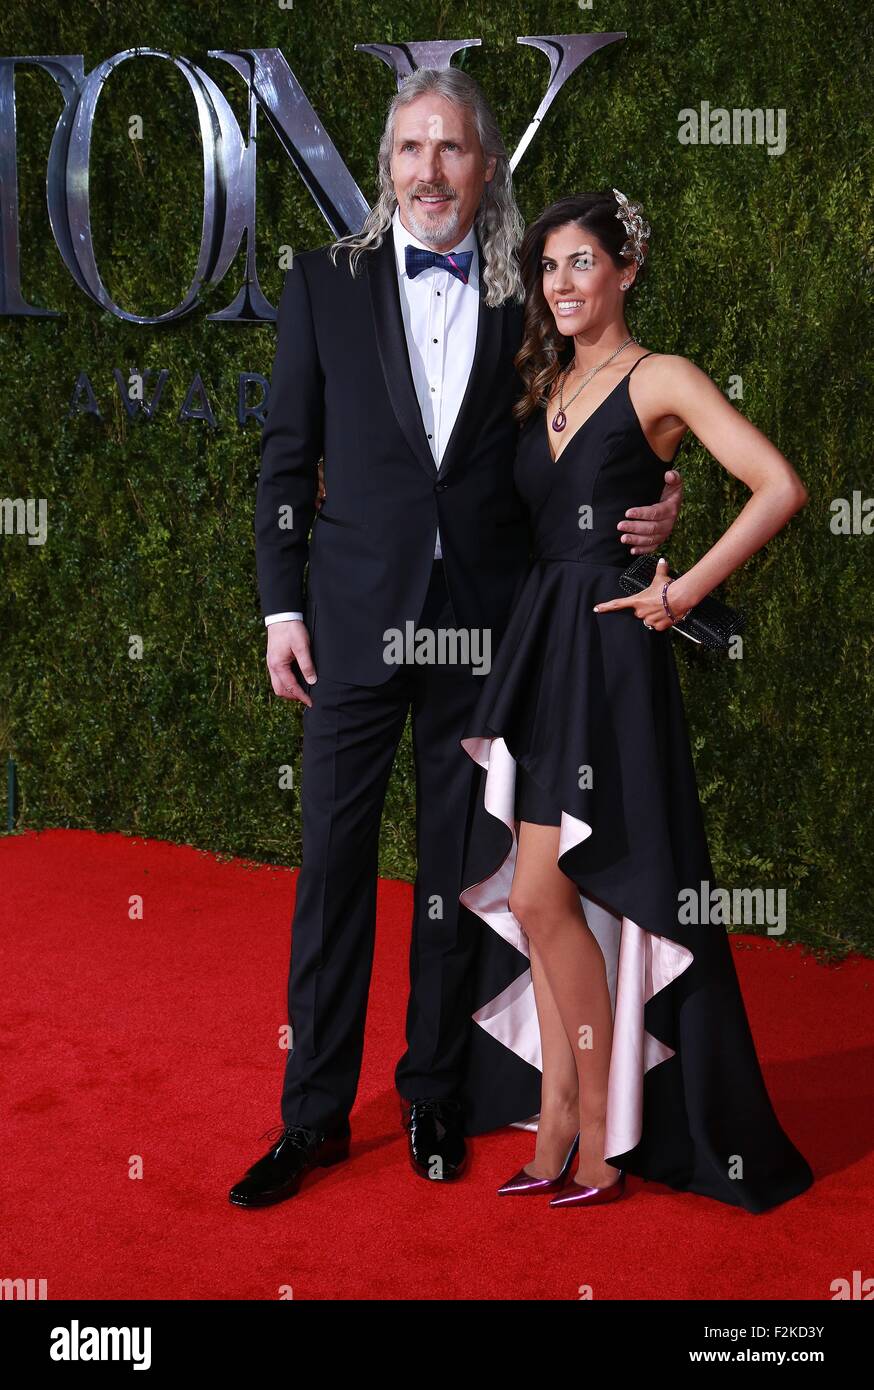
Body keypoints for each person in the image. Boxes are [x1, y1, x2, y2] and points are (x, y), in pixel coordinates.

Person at [229, 72, 684, 1208]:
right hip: (346, 626)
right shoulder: (323, 283)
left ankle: (433, 1090)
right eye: (410, 149)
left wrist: (657, 497)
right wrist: (281, 608)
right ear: (388, 164)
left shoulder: (521, 294)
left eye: (452, 150)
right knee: (332, 868)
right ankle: (313, 1118)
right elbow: (286, 459)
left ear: (486, 169)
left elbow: (590, 418)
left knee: (454, 870)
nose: (428, 171)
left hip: (485, 626)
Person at [457, 189, 815, 1212]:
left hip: (610, 649)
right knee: (544, 895)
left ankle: (596, 1131)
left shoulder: (662, 376)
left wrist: (682, 587)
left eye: (580, 264)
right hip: (541, 640)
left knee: (543, 890)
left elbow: (778, 485)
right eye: (549, 269)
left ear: (624, 269)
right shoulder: (545, 383)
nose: (561, 285)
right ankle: (565, 1115)